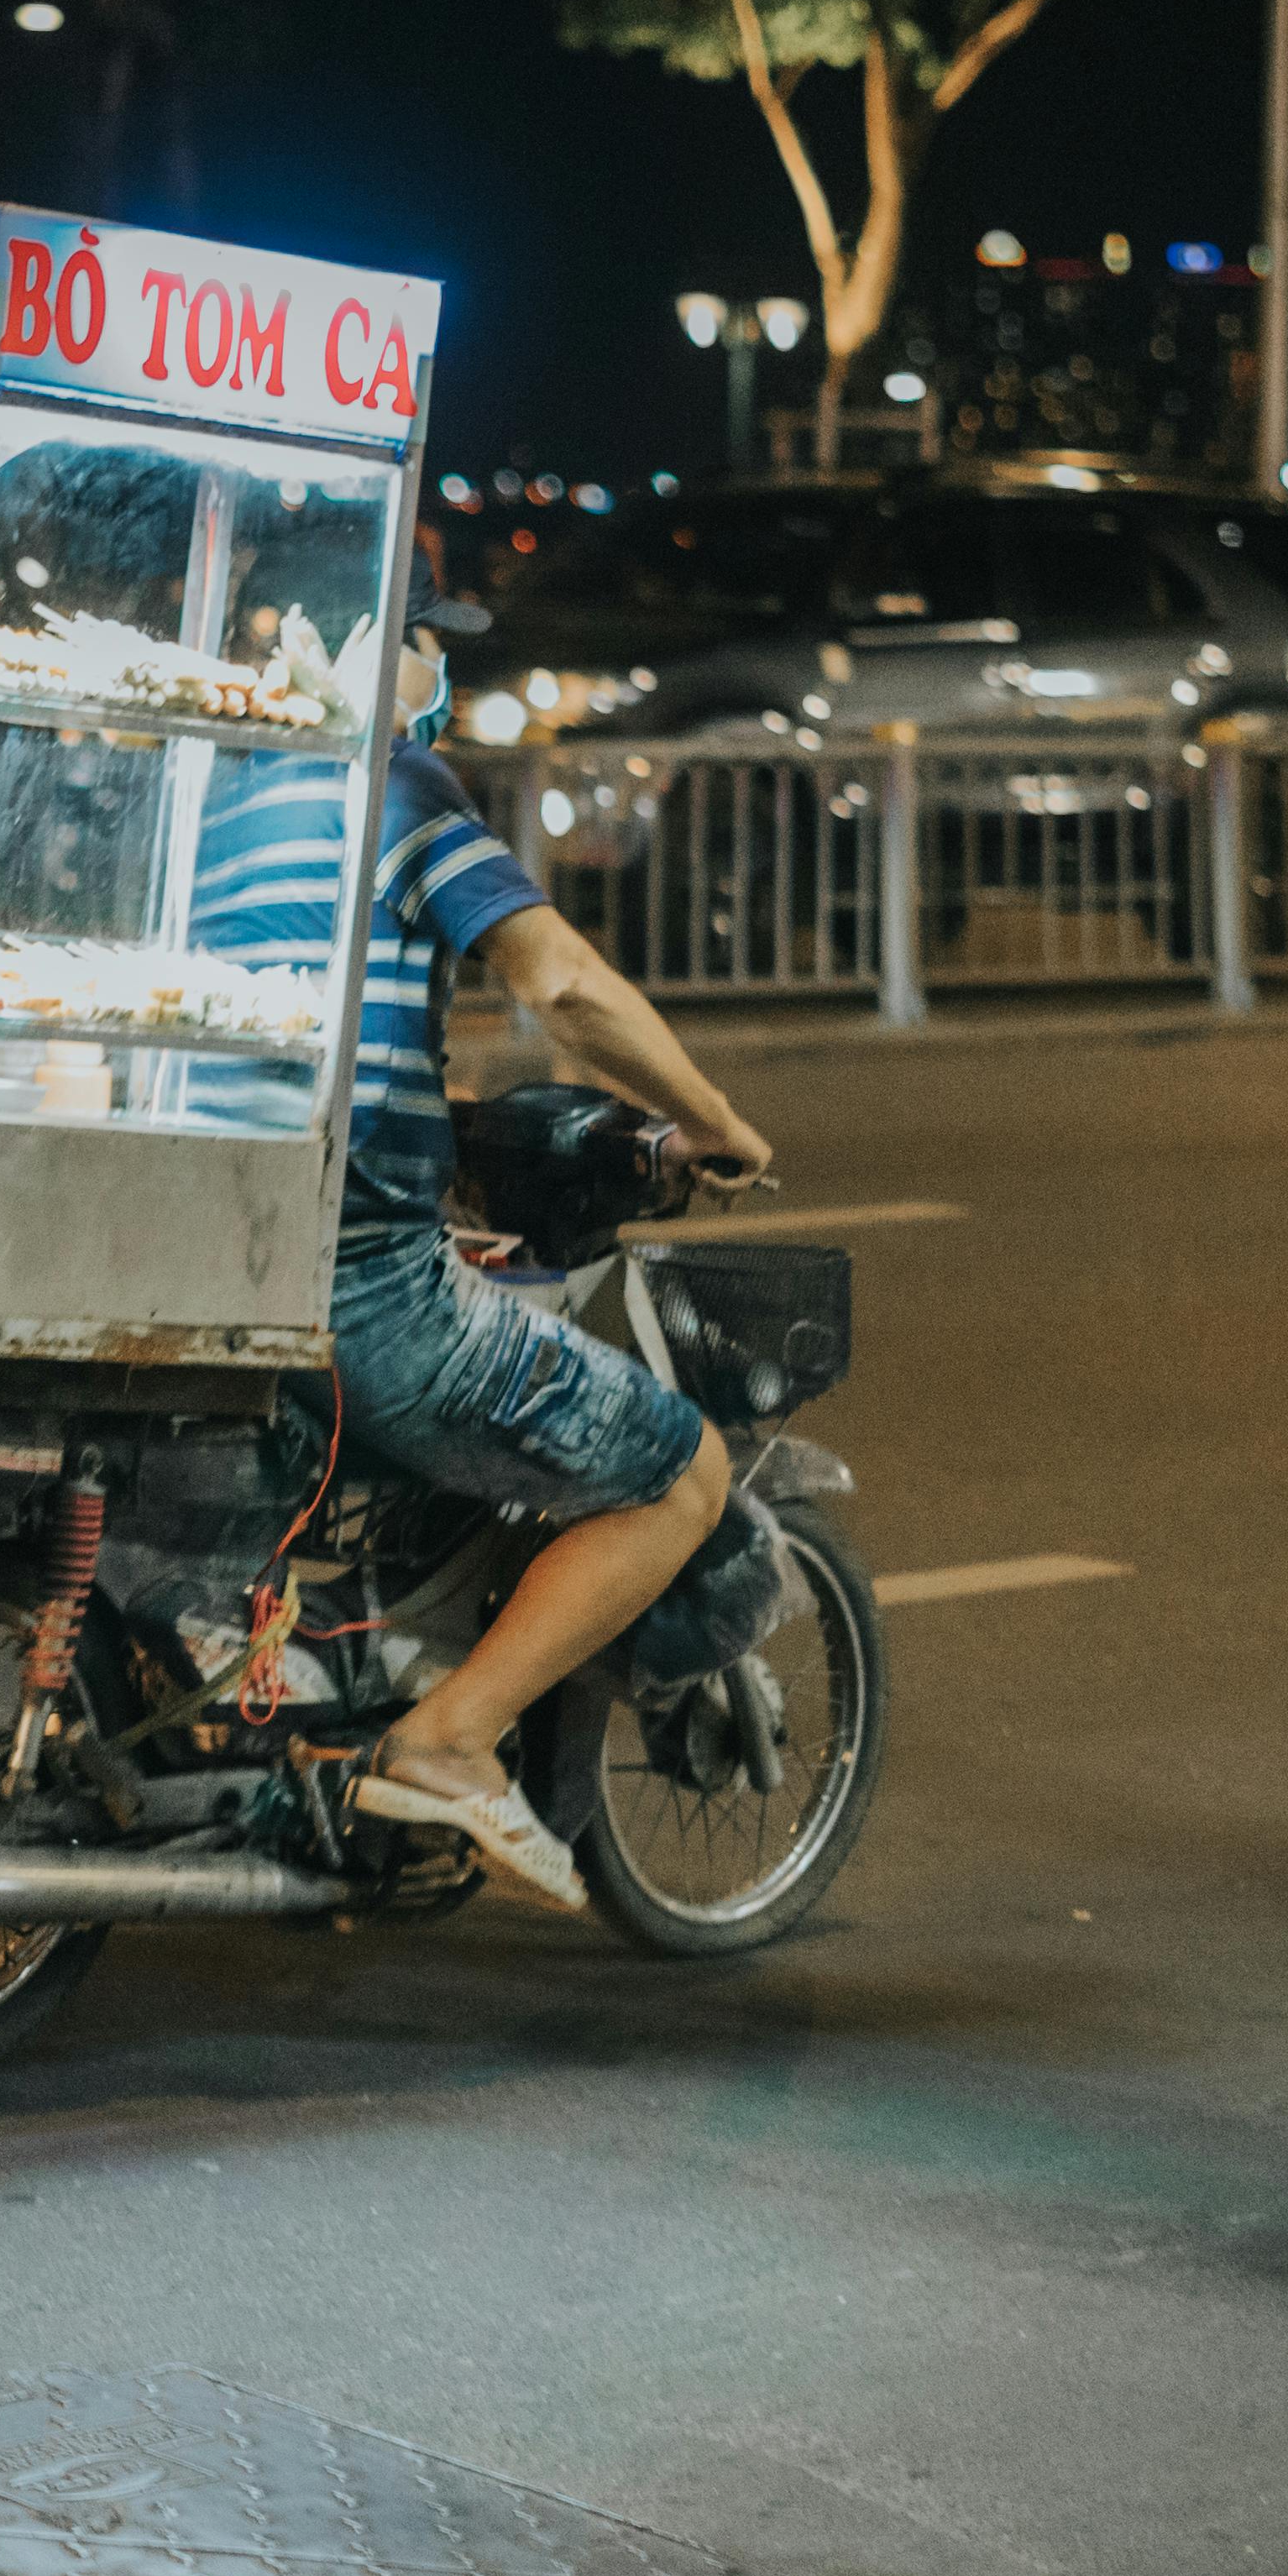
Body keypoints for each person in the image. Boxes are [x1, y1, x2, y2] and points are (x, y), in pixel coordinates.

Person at [192, 574, 772, 1910]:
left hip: (218, 1244)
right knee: (681, 1467)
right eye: (419, 643)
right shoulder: (395, 791)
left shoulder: (223, 795)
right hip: (359, 1280)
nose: (433, 671)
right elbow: (561, 986)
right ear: (355, 649)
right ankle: (445, 1739)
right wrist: (716, 1119)